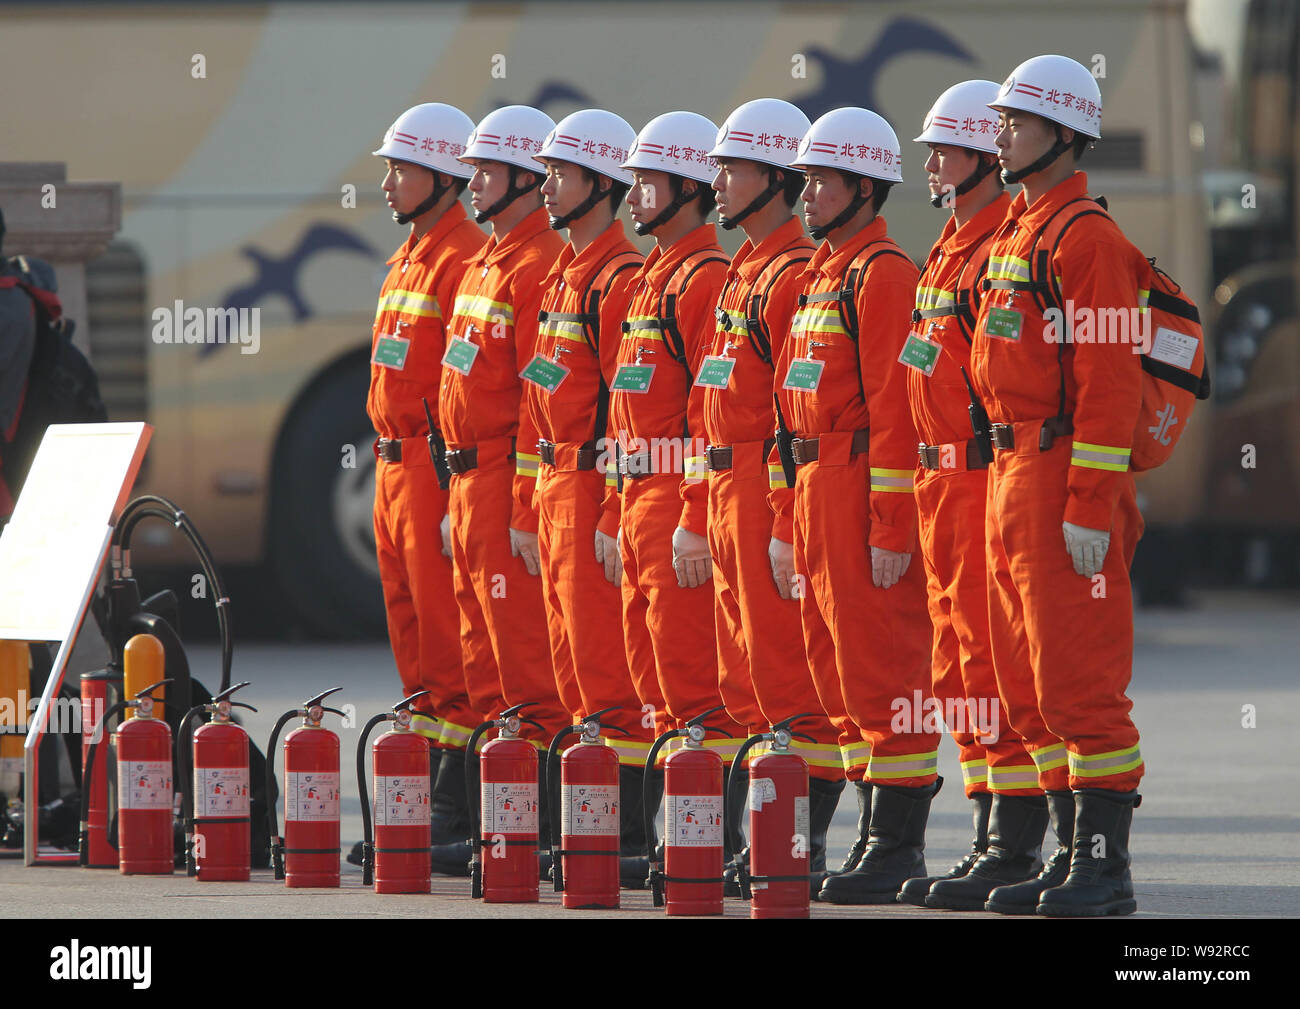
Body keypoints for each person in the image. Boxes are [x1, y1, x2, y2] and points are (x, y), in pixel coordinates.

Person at [972, 55, 1147, 917]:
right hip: (1010, 471)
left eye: (1017, 120)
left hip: (1057, 473)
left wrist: (1088, 504)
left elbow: (1110, 381)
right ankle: (1063, 854)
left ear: (1065, 133)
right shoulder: (1019, 230)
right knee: (1027, 686)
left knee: (1078, 683)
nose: (999, 132)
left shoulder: (1087, 239)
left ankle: (1103, 869)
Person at [777, 107, 939, 906]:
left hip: (855, 486)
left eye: (820, 180)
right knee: (833, 670)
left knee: (881, 668)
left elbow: (895, 410)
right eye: (804, 179)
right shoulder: (823, 272)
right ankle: (871, 835)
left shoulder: (884, 274)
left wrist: (889, 526)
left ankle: (895, 843)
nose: (805, 195)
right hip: (814, 487)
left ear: (864, 188)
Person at [895, 80, 1049, 910]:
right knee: (956, 662)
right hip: (937, 479)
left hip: (982, 474)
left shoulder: (998, 248)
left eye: (944, 151)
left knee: (993, 659)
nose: (930, 165)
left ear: (987, 160)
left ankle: (1014, 845)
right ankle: (991, 830)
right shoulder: (950, 248)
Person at [703, 98, 846, 894]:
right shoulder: (747, 271)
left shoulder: (791, 274)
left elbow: (799, 414)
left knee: (787, 675)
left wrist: (785, 520)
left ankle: (804, 838)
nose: (717, 183)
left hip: (765, 485)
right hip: (729, 485)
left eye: (733, 168)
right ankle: (764, 831)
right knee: (746, 677)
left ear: (776, 179)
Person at [431, 104, 568, 874]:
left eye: (485, 170)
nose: (472, 182)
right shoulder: (487, 261)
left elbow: (533, 405)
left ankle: (546, 826)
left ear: (521, 177)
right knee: (483, 660)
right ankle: (498, 824)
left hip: (498, 478)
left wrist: (518, 507)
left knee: (525, 664)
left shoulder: (534, 264)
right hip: (464, 480)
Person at [525, 108, 657, 885]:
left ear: (598, 186)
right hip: (552, 484)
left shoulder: (616, 279)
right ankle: (592, 823)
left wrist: (609, 506)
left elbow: (624, 407)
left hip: (587, 484)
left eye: (559, 175)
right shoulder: (565, 274)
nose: (546, 188)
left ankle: (631, 830)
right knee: (572, 668)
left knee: (607, 670)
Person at [366, 104, 489, 864]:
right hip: (388, 465)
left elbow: (460, 391)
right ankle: (423, 803)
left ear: (445, 179)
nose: (385, 183)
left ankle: (455, 804)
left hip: (428, 465)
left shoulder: (460, 260)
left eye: (400, 169)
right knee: (411, 637)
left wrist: (447, 485)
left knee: (449, 641)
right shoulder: (413, 256)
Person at [611, 110, 746, 793]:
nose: (633, 194)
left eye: (646, 181)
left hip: (672, 503)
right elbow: (623, 407)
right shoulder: (653, 276)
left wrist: (693, 515)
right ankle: (679, 833)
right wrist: (613, 509)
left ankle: (714, 837)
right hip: (636, 498)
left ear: (688, 188)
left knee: (694, 680)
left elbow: (706, 417)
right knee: (653, 679)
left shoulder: (704, 280)